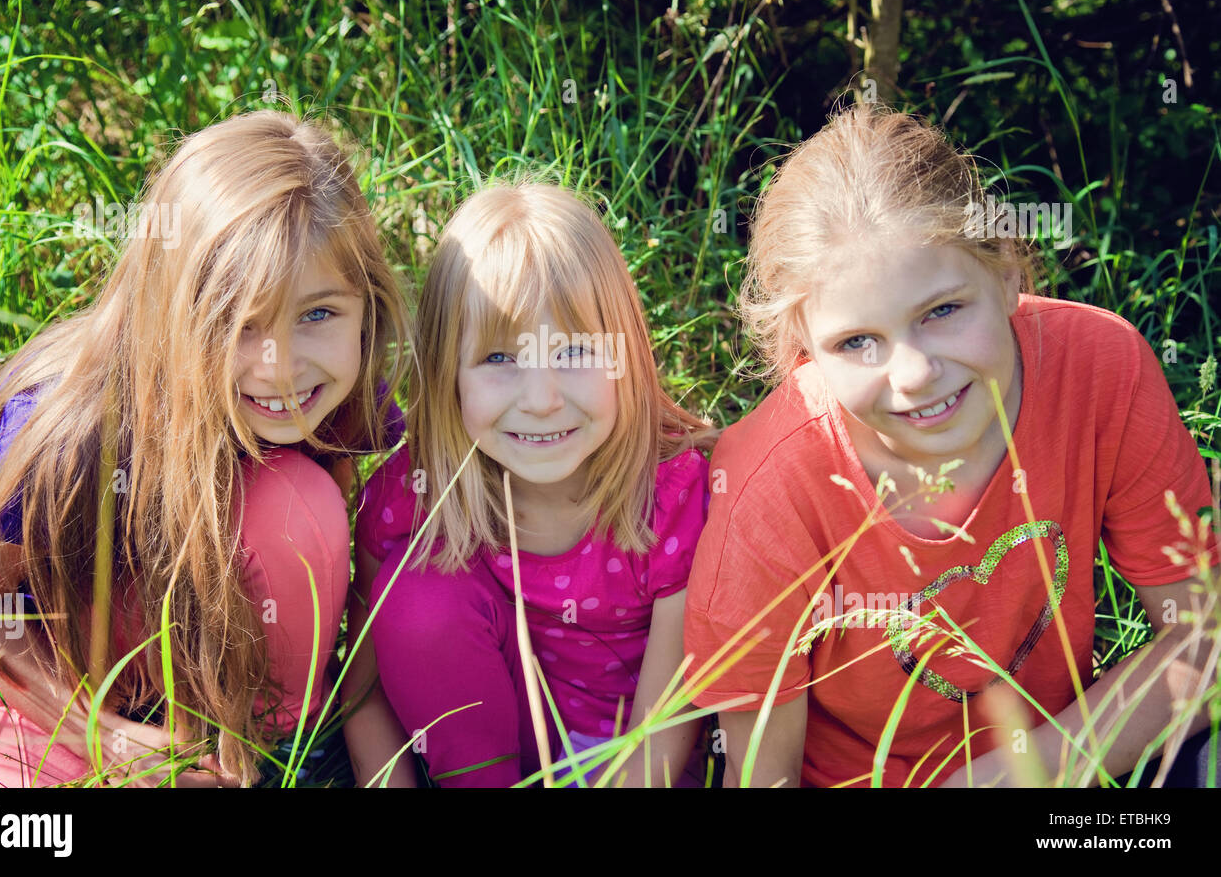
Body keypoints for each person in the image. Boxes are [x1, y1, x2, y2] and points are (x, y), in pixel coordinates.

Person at [684, 101, 1219, 788]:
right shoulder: (768, 486)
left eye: (941, 311)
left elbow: (1204, 641)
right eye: (856, 342)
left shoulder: (1102, 366)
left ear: (1004, 274)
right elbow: (763, 778)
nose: (913, 374)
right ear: (802, 353)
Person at [0, 110, 411, 787]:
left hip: (162, 626)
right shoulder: (69, 426)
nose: (281, 366)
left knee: (298, 506)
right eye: (239, 323)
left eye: (318, 313)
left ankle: (265, 740)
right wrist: (109, 742)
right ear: (171, 310)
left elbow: (370, 598)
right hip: (10, 657)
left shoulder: (341, 391)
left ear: (367, 305)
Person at [353, 181, 717, 786]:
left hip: (643, 762)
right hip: (507, 747)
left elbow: (663, 732)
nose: (543, 400)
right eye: (500, 359)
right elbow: (361, 691)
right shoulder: (412, 494)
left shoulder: (675, 496)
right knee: (417, 597)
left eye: (574, 351)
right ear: (448, 374)